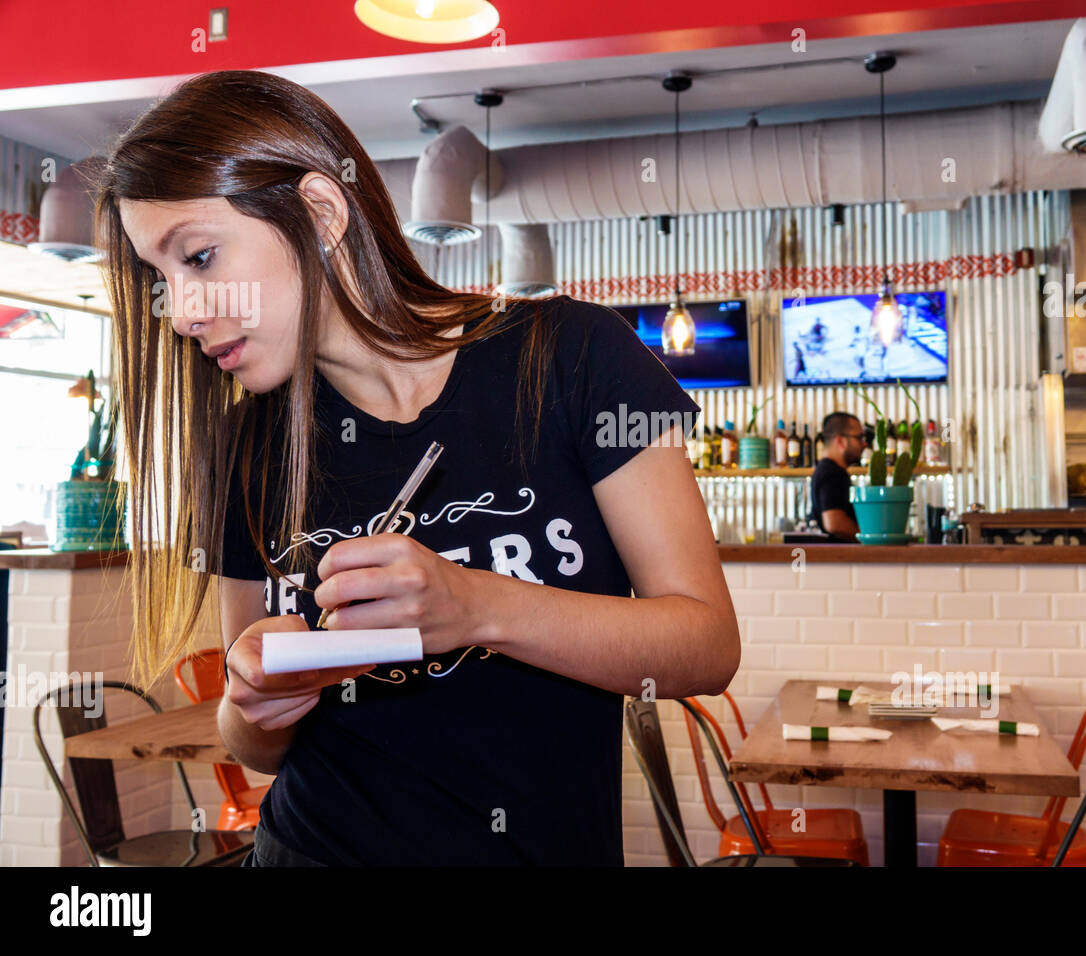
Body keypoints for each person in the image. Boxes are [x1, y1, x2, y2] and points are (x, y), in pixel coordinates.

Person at [96, 70, 740, 866]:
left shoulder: (570, 358)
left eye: (198, 256)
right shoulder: (243, 444)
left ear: (320, 212)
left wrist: (475, 607)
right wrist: (255, 694)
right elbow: (257, 749)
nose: (183, 311)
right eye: (162, 278)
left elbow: (706, 646)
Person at [809, 412, 872, 541]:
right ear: (841, 441)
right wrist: (868, 539)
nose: (864, 444)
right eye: (859, 438)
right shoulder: (832, 473)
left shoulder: (830, 470)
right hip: (838, 558)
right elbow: (834, 524)